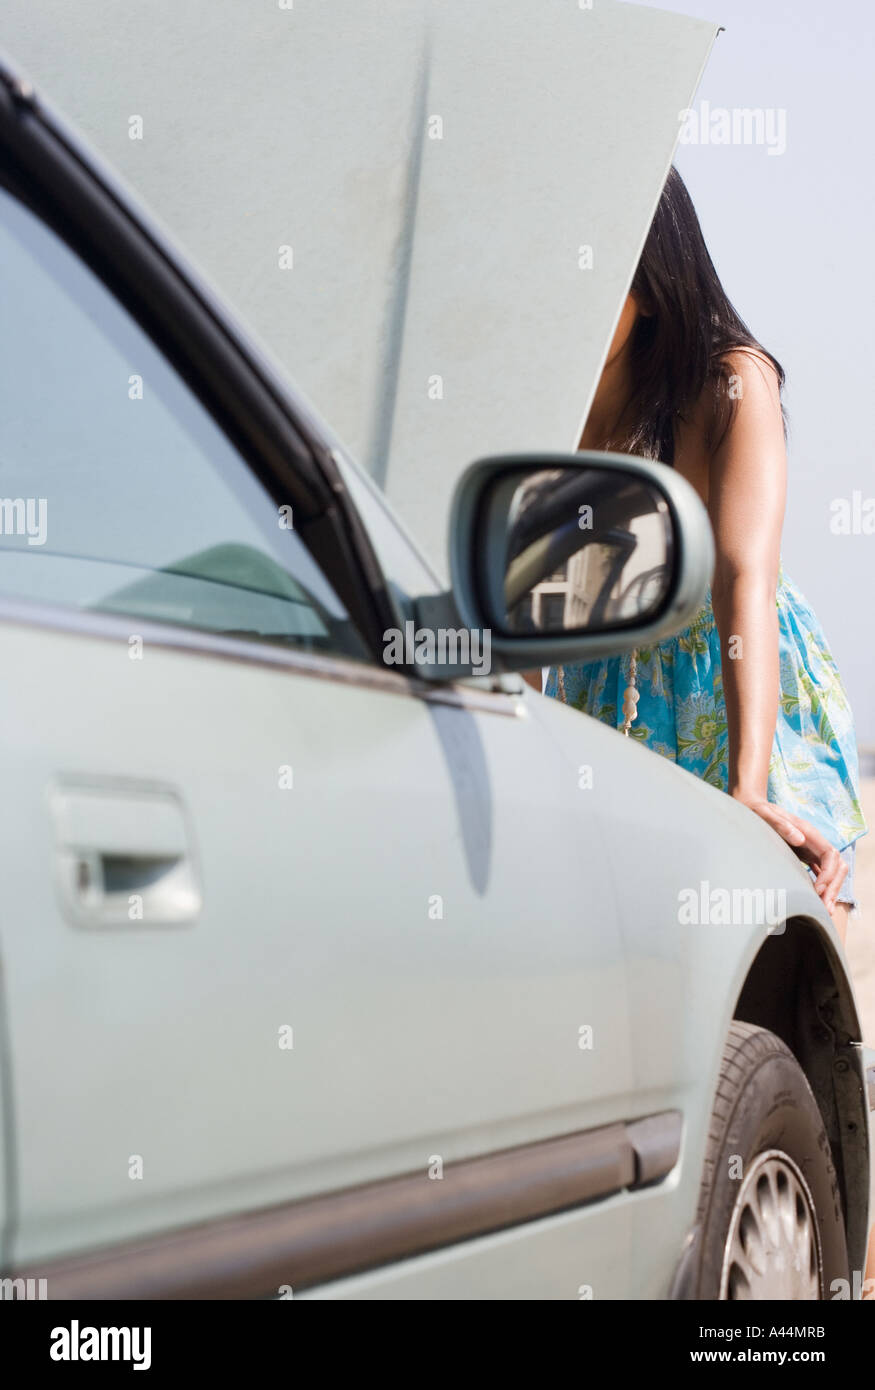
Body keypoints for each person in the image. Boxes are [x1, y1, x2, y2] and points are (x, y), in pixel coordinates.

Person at [544, 167, 866, 941]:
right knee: (623, 946)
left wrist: (747, 782)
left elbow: (740, 577)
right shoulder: (546, 394)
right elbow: (537, 604)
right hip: (601, 685)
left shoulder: (728, 380)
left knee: (782, 923)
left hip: (738, 678)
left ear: (652, 287)